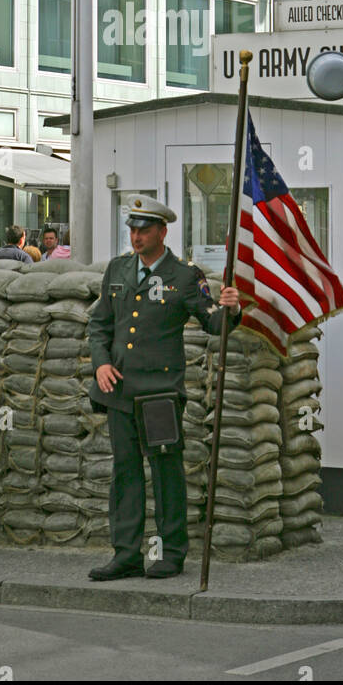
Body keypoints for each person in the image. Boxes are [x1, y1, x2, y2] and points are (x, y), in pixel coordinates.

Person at [87, 195, 241, 582]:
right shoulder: (118, 270)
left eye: (144, 230)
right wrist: (101, 363)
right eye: (132, 230)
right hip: (120, 391)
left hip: (160, 391)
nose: (136, 237)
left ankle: (171, 552)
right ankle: (126, 554)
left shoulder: (185, 275)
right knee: (125, 474)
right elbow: (100, 324)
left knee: (166, 473)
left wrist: (232, 310)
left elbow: (212, 323)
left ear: (162, 231)